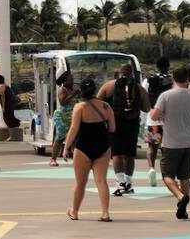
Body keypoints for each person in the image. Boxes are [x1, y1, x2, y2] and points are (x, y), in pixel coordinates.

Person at [150, 67, 190, 220]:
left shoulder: (165, 96)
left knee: (167, 175)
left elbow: (154, 116)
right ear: (188, 79)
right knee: (185, 177)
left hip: (171, 142)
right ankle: (184, 208)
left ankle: (180, 196)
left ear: (173, 78)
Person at [63, 77, 114, 220]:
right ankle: (105, 213)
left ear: (81, 92)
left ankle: (74, 211)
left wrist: (66, 147)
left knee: (81, 182)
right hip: (103, 147)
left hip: (84, 147)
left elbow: (74, 129)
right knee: (101, 180)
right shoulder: (106, 107)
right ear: (95, 90)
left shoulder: (79, 107)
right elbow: (112, 128)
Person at [99, 62, 147, 195]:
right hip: (132, 124)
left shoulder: (109, 86)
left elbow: (98, 102)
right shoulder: (138, 88)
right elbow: (147, 107)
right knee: (130, 155)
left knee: (117, 154)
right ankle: (129, 183)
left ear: (119, 72)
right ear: (132, 73)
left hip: (115, 123)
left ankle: (120, 183)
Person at [144, 57, 172, 185]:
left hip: (152, 118)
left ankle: (151, 168)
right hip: (168, 120)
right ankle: (167, 173)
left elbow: (144, 96)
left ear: (157, 67)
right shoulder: (171, 81)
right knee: (166, 148)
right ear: (168, 66)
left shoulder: (149, 80)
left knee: (152, 147)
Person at [50, 70, 76, 167]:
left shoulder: (72, 89)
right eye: (70, 79)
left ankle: (76, 158)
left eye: (72, 79)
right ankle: (53, 159)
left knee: (75, 138)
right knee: (60, 138)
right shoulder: (62, 89)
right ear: (64, 81)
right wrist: (73, 95)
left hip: (72, 115)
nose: (72, 81)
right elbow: (62, 102)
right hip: (63, 117)